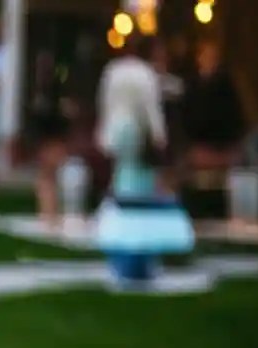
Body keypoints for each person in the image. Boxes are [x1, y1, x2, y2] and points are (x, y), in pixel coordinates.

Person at [93, 42, 193, 288]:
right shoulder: (145, 75)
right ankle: (141, 246)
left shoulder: (113, 69)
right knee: (140, 185)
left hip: (116, 130)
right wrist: (160, 137)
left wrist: (103, 132)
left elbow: (103, 101)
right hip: (135, 131)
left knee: (123, 179)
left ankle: (120, 243)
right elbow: (151, 107)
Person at [182, 41, 243, 173]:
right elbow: (187, 114)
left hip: (223, 147)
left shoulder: (225, 84)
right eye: (206, 56)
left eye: (213, 57)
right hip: (201, 147)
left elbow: (233, 114)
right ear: (199, 59)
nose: (209, 60)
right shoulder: (192, 85)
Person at [28, 50, 74, 224]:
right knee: (51, 178)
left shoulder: (43, 96)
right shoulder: (58, 97)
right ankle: (51, 213)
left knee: (46, 178)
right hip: (54, 138)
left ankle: (47, 213)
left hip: (49, 139)